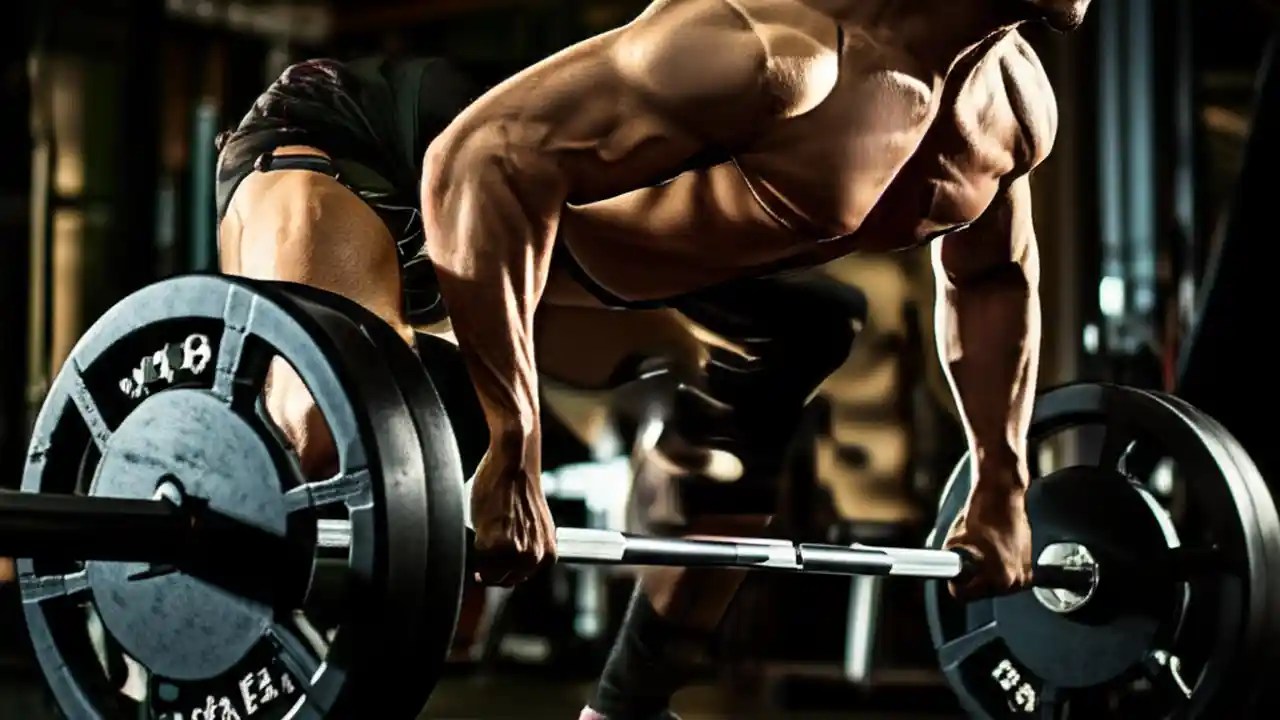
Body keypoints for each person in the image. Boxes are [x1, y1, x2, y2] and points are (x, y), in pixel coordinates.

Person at [420, 0, 1091, 717]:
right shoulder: (776, 49)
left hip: (647, 283)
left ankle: (624, 708)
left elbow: (992, 279)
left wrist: (1000, 483)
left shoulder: (1013, 105)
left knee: (808, 333)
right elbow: (483, 158)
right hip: (432, 209)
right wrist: (512, 446)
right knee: (377, 420)